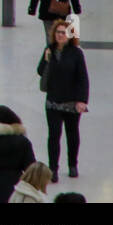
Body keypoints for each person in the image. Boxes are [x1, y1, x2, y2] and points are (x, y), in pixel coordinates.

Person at [38, 19, 89, 183]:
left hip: (71, 101)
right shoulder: (49, 50)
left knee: (72, 134)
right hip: (53, 101)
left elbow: (83, 78)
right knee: (53, 135)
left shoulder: (76, 53)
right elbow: (40, 71)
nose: (60, 35)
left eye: (64, 33)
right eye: (58, 32)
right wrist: (46, 60)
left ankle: (73, 164)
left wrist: (82, 100)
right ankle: (53, 168)